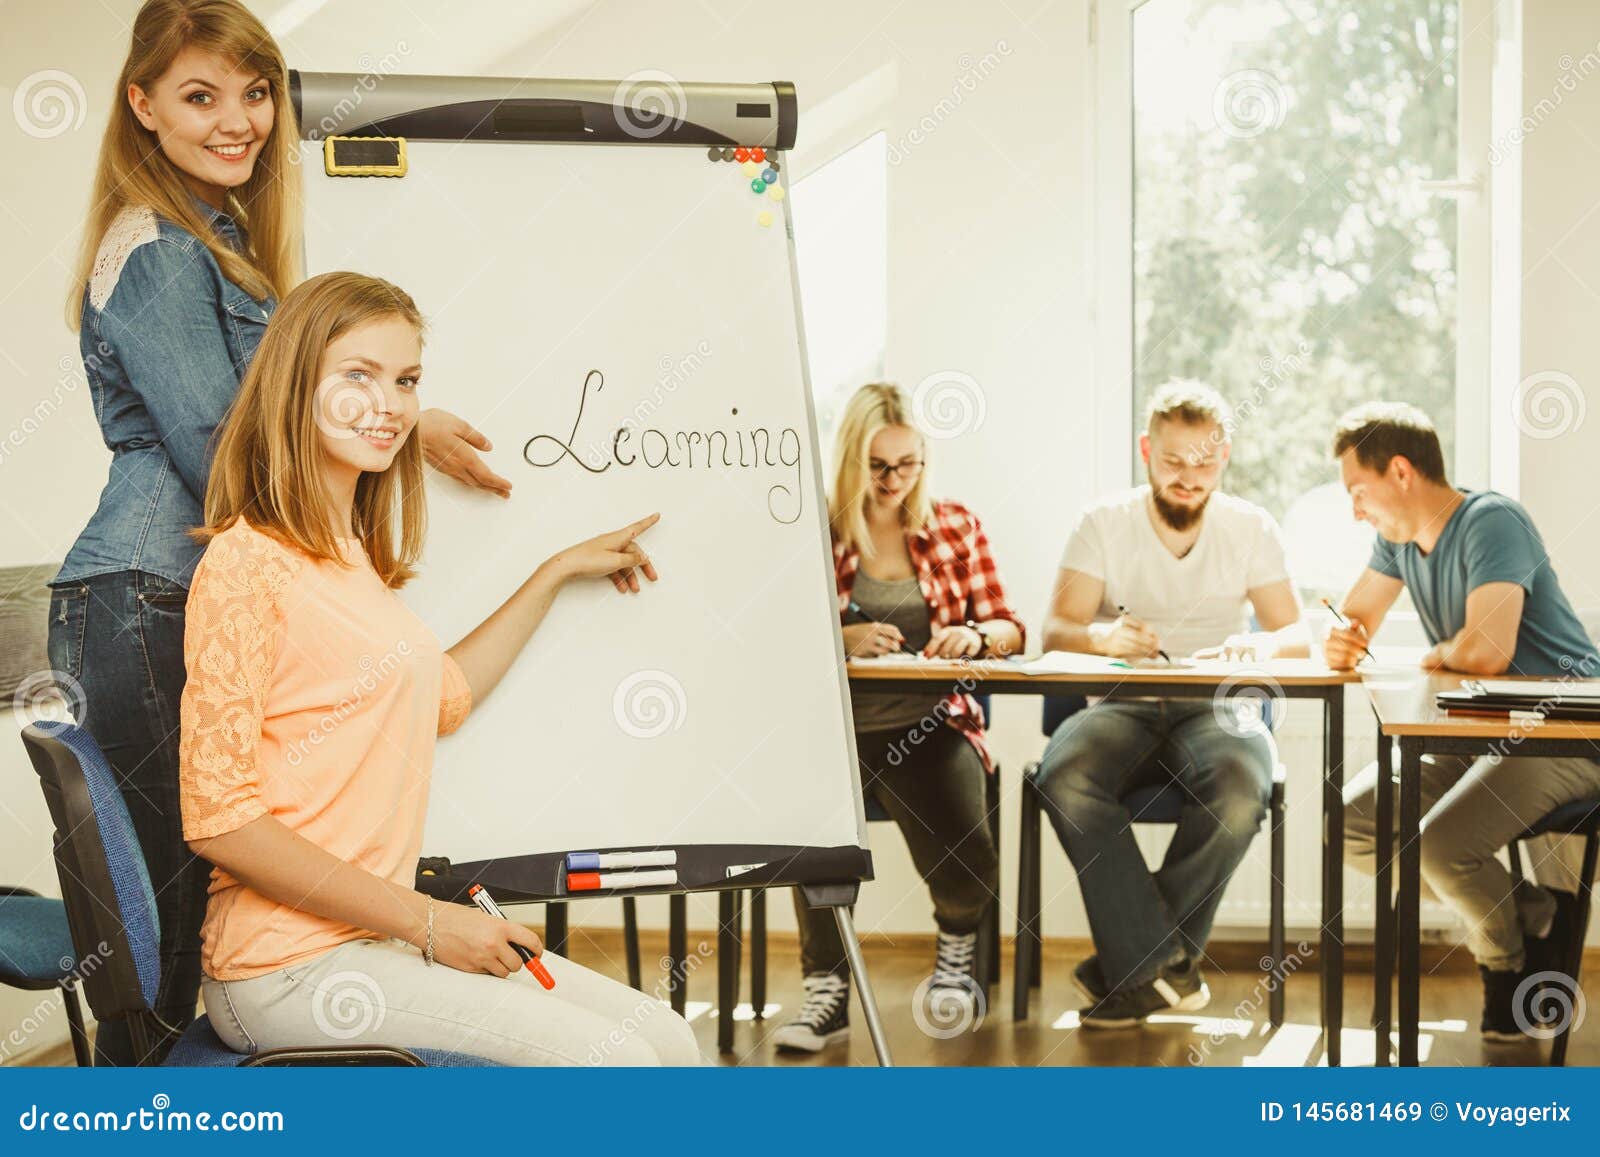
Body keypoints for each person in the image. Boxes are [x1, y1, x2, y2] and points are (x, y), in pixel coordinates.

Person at [48, 0, 503, 1064]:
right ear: (141, 105)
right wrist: (362, 449)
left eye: (255, 94)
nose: (237, 120)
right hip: (147, 587)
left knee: (169, 947)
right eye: (200, 95)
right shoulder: (155, 246)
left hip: (159, 583)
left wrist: (401, 418)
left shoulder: (222, 236)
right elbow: (225, 448)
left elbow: (273, 406)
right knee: (157, 960)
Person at [178, 270, 699, 1066]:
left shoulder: (350, 560)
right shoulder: (246, 562)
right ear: (294, 385)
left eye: (407, 380)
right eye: (359, 375)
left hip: (371, 942)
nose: (390, 404)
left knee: (665, 1036)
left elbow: (442, 698)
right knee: (613, 1063)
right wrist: (427, 921)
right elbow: (220, 818)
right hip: (281, 968)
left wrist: (552, 571)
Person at [1033, 380, 1307, 1028]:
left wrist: (1253, 646)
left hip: (1216, 707)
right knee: (1063, 776)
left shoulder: (1250, 527)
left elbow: (1297, 635)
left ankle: (1134, 971)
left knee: (1245, 785)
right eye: (1173, 460)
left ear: (1226, 456)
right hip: (1121, 704)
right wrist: (1101, 636)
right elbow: (1054, 631)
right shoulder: (1103, 522)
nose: (1189, 476)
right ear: (1145, 451)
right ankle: (1168, 965)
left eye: (1204, 461)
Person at [1327, 401, 1600, 1041]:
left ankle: (1505, 965)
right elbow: (1352, 618)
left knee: (1443, 847)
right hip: (1480, 730)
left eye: (1357, 491)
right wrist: (1342, 639)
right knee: (1354, 824)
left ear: (1399, 471)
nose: (1355, 509)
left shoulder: (1491, 520)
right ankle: (1536, 914)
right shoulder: (1398, 543)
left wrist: (1443, 653)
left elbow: (1486, 650)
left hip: (1561, 731)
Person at [771, 383, 1025, 1053]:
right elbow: (772, 631)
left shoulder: (954, 525)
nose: (893, 480)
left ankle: (955, 950)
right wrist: (839, 635)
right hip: (839, 729)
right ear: (852, 460)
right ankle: (827, 993)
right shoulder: (814, 526)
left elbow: (1011, 625)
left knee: (967, 847)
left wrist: (974, 634)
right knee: (817, 843)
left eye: (908, 464)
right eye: (878, 466)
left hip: (929, 723)